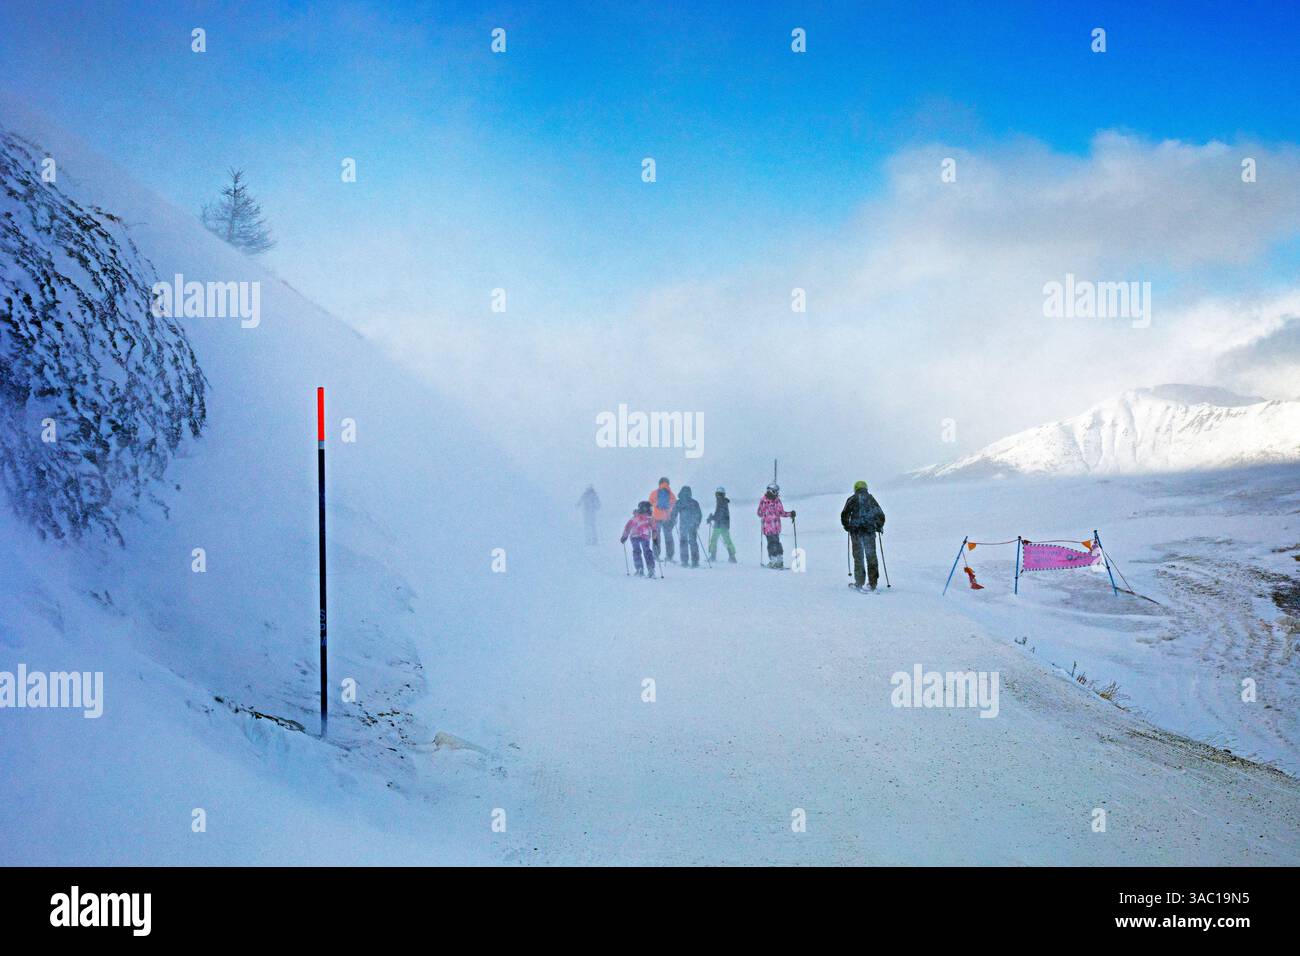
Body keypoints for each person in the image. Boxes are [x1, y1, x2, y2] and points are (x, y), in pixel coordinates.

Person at [840, 480, 886, 590]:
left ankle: (859, 582)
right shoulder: (871, 499)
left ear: (855, 488)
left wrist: (848, 526)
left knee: (858, 557)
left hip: (856, 532)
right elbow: (880, 514)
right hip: (869, 532)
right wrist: (878, 526)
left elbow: (844, 514)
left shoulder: (852, 499)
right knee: (871, 557)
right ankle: (873, 583)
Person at [756, 482, 794, 569]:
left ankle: (779, 561)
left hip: (776, 527)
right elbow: (759, 513)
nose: (777, 493)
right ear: (770, 491)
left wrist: (790, 514)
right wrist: (763, 512)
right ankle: (774, 561)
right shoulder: (764, 501)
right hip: (768, 528)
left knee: (776, 543)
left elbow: (781, 513)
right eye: (775, 491)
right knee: (772, 543)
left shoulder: (777, 501)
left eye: (777, 491)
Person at [620, 501, 658, 578]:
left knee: (636, 552)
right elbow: (654, 529)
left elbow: (627, 528)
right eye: (650, 508)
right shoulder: (649, 518)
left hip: (634, 536)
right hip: (644, 536)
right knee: (647, 552)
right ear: (645, 509)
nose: (651, 510)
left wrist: (624, 537)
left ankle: (639, 568)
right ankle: (650, 569)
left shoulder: (634, 517)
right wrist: (655, 539)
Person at [648, 477, 677, 563]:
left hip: (656, 517)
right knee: (668, 537)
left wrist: (655, 505)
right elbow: (674, 504)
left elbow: (650, 502)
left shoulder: (654, 493)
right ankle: (669, 556)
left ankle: (656, 555)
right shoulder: (671, 494)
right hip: (667, 518)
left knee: (656, 536)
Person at [674, 486, 703, 567]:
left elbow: (674, 513)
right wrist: (697, 523)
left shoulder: (679, 502)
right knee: (693, 543)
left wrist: (673, 520)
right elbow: (699, 514)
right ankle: (695, 561)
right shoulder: (694, 502)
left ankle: (684, 561)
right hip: (692, 525)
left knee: (683, 543)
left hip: (683, 526)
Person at [706, 486, 737, 563]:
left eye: (719, 494)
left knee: (722, 540)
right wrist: (713, 517)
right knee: (718, 540)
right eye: (717, 494)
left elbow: (719, 514)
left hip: (722, 525)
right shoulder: (721, 501)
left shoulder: (721, 502)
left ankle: (731, 556)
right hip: (720, 524)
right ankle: (729, 556)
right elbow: (719, 514)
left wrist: (712, 518)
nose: (717, 495)